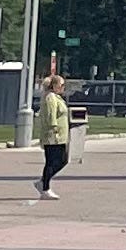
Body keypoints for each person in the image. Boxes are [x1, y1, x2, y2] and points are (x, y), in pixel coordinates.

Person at [34, 64, 74, 199]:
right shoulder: (50, 97)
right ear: (55, 85)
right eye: (62, 85)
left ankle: (42, 182)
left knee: (63, 160)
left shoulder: (57, 97)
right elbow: (51, 115)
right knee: (53, 161)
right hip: (53, 136)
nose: (63, 88)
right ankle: (45, 187)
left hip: (61, 136)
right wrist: (54, 129)